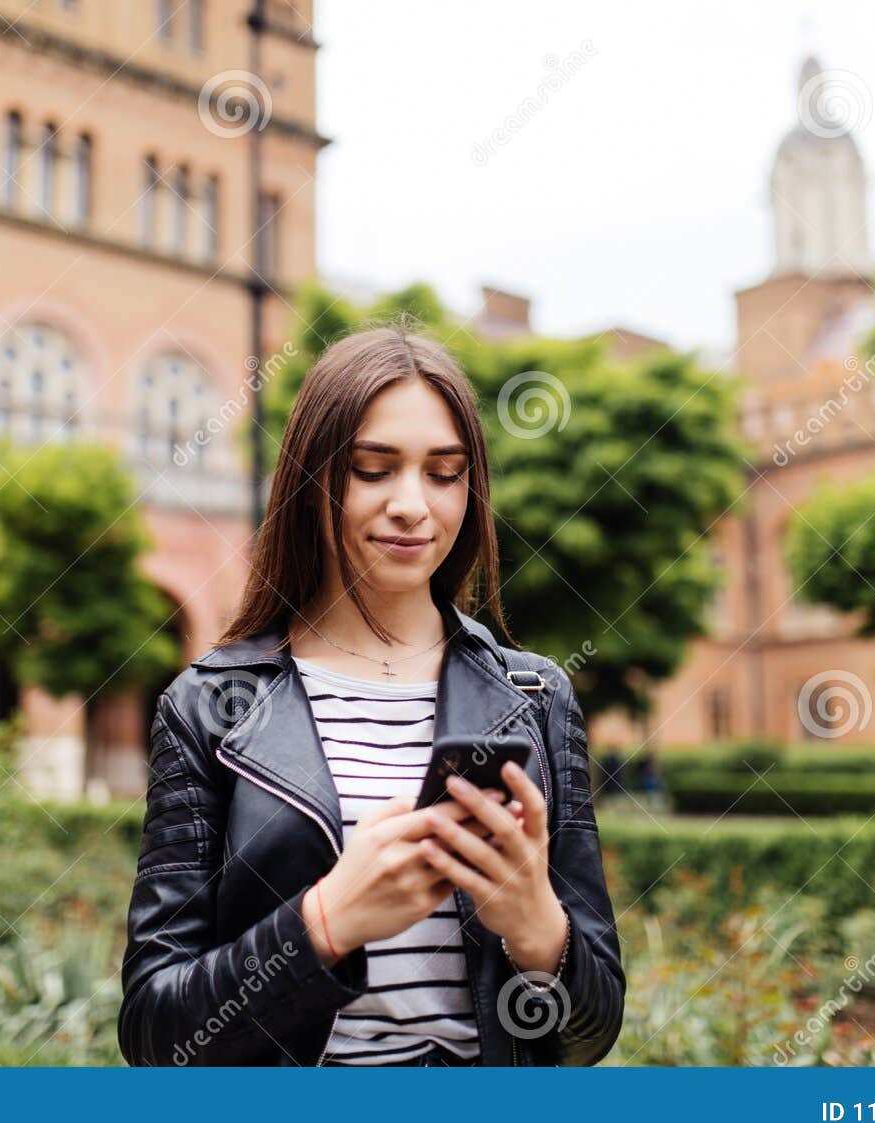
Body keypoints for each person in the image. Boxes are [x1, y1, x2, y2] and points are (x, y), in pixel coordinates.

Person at [118, 324, 624, 1066]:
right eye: (372, 469)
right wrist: (324, 922)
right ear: (311, 478)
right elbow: (155, 1033)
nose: (413, 505)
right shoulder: (207, 706)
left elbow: (594, 1029)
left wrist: (537, 926)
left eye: (444, 473)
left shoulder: (535, 695)